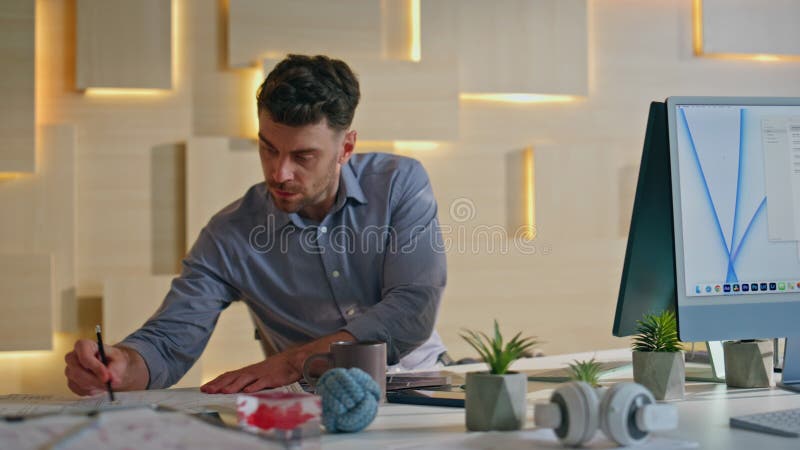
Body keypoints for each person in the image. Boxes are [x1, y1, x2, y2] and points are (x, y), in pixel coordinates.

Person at [64, 54, 448, 396]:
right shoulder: (229, 234)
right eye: (268, 148)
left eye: (303, 156)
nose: (280, 172)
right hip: (316, 404)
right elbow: (170, 341)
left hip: (420, 384)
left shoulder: (399, 183)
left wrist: (290, 363)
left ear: (345, 148)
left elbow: (412, 309)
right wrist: (121, 367)